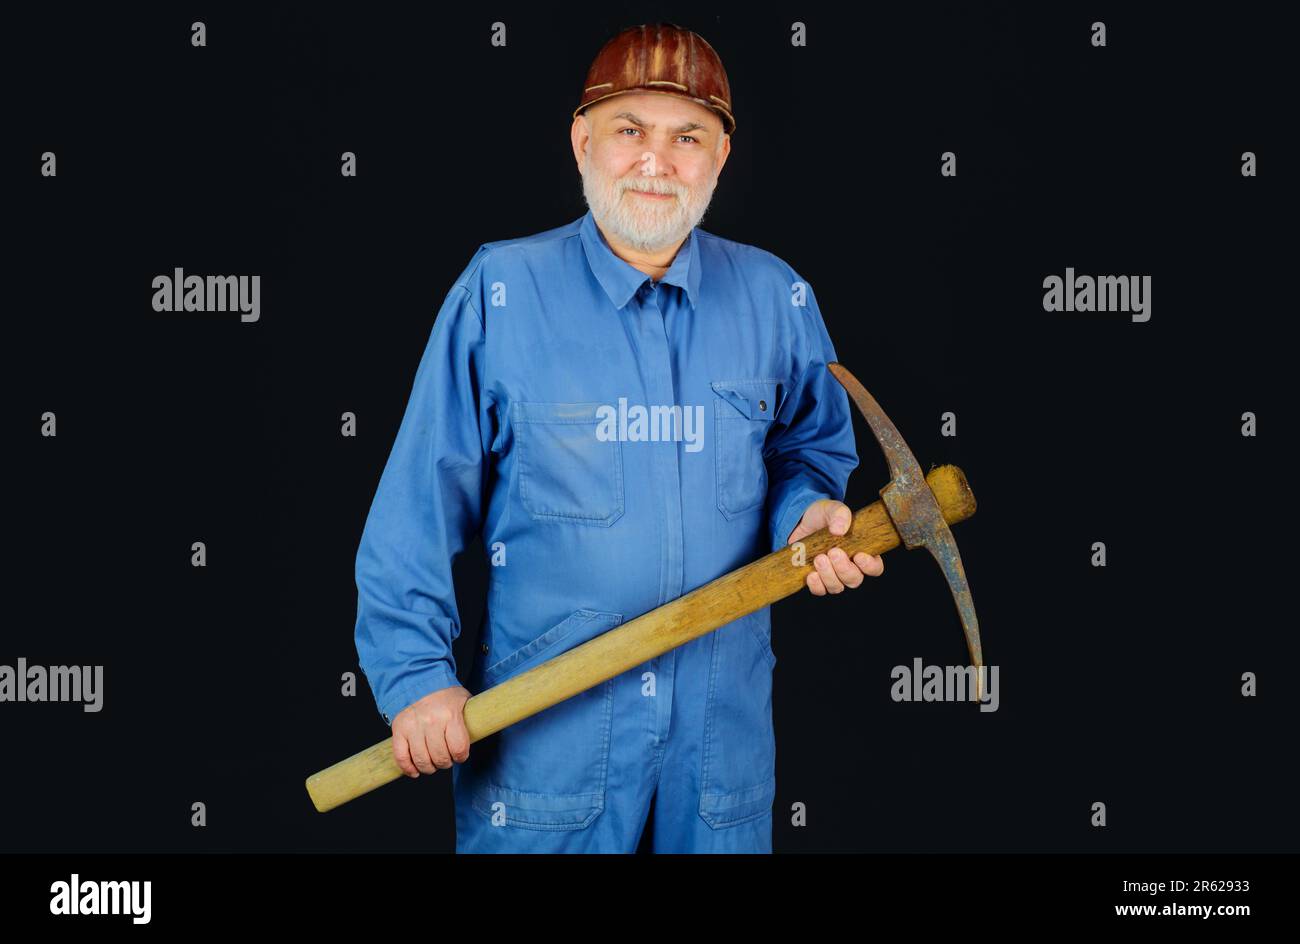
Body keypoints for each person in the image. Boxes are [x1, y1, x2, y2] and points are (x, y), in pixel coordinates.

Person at [353, 22, 883, 853]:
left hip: (720, 743)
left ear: (720, 157)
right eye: (629, 130)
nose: (655, 161)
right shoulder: (499, 292)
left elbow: (806, 455)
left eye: (687, 138)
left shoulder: (776, 296)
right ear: (581, 141)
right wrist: (416, 679)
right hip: (544, 750)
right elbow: (414, 512)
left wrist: (807, 514)